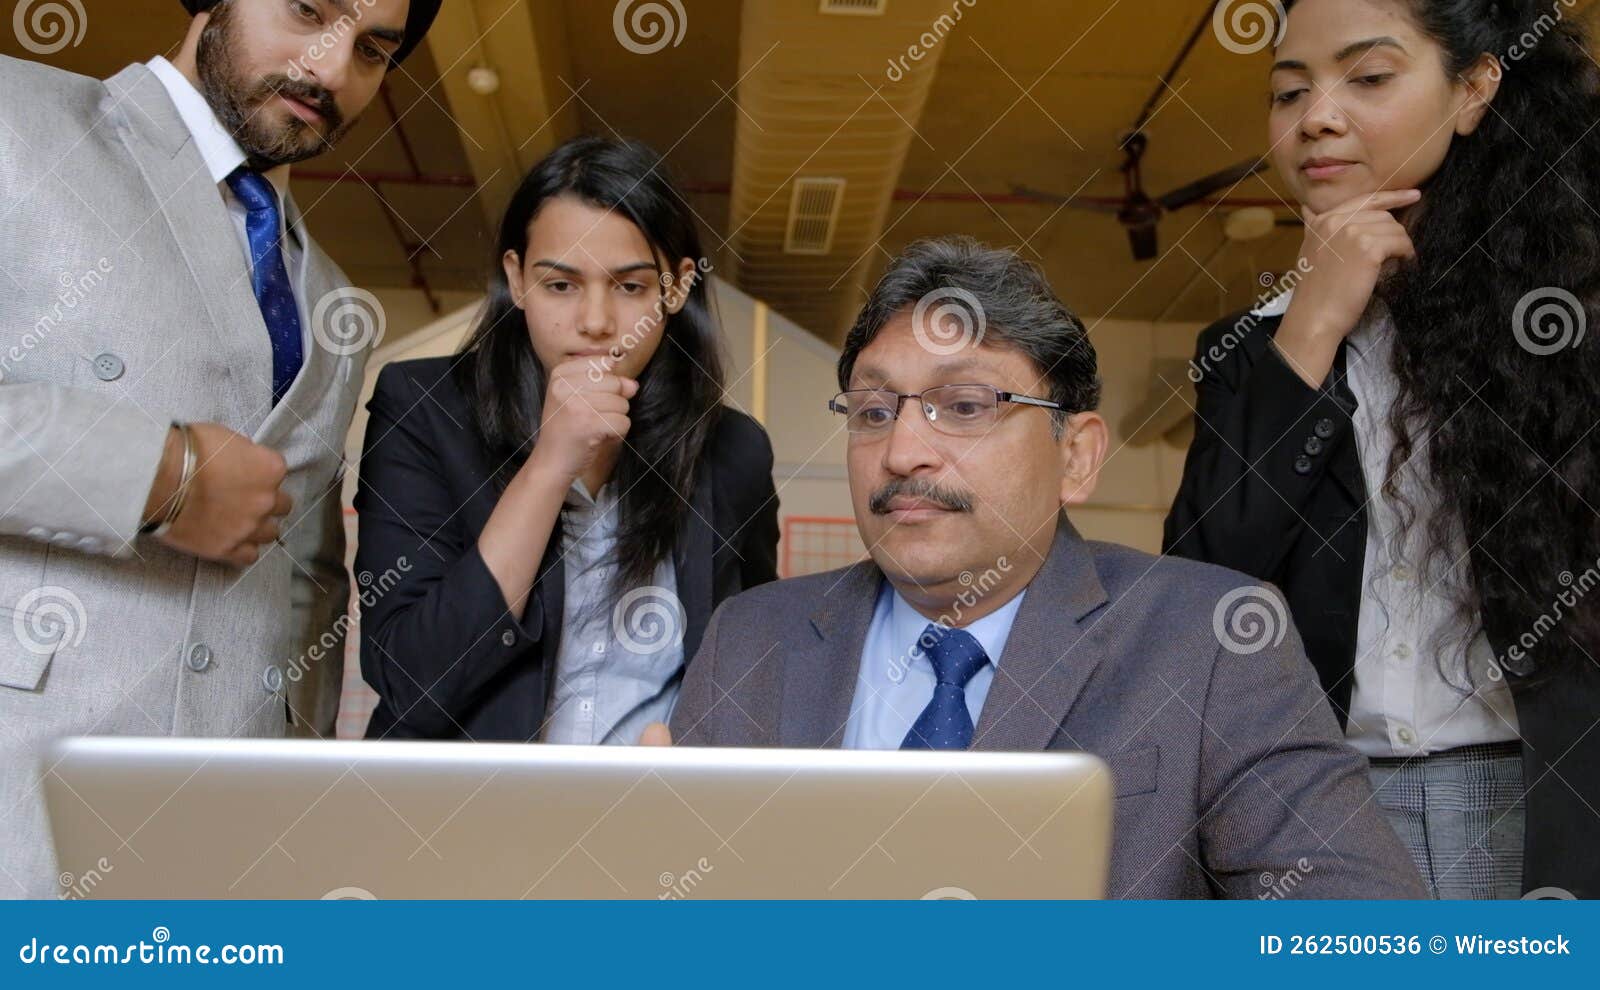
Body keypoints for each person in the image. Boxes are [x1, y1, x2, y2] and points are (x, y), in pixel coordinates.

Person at [647, 236, 1425, 899]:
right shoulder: (752, 642)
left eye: (966, 406)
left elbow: (1363, 934)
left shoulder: (1211, 641)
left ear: (1076, 455)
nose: (902, 450)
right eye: (875, 411)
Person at [0, 0, 442, 898]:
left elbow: (308, 581)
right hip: (26, 800)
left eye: (372, 51)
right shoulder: (16, 119)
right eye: (310, 10)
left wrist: (294, 785)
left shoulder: (332, 301)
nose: (329, 69)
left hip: (226, 854)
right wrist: (157, 476)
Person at [1165, 0, 1599, 899]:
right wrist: (1313, 324)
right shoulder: (1254, 350)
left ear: (1476, 87)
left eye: (1367, 77)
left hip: (1539, 800)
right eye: (1289, 91)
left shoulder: (1573, 318)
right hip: (1317, 808)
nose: (1316, 116)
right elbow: (1202, 588)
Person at [357, 136, 781, 743]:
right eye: (561, 285)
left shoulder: (731, 449)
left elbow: (750, 668)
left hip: (649, 818)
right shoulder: (424, 410)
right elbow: (411, 681)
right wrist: (549, 467)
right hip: (458, 818)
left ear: (677, 288)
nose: (595, 322)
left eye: (631, 287)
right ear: (517, 280)